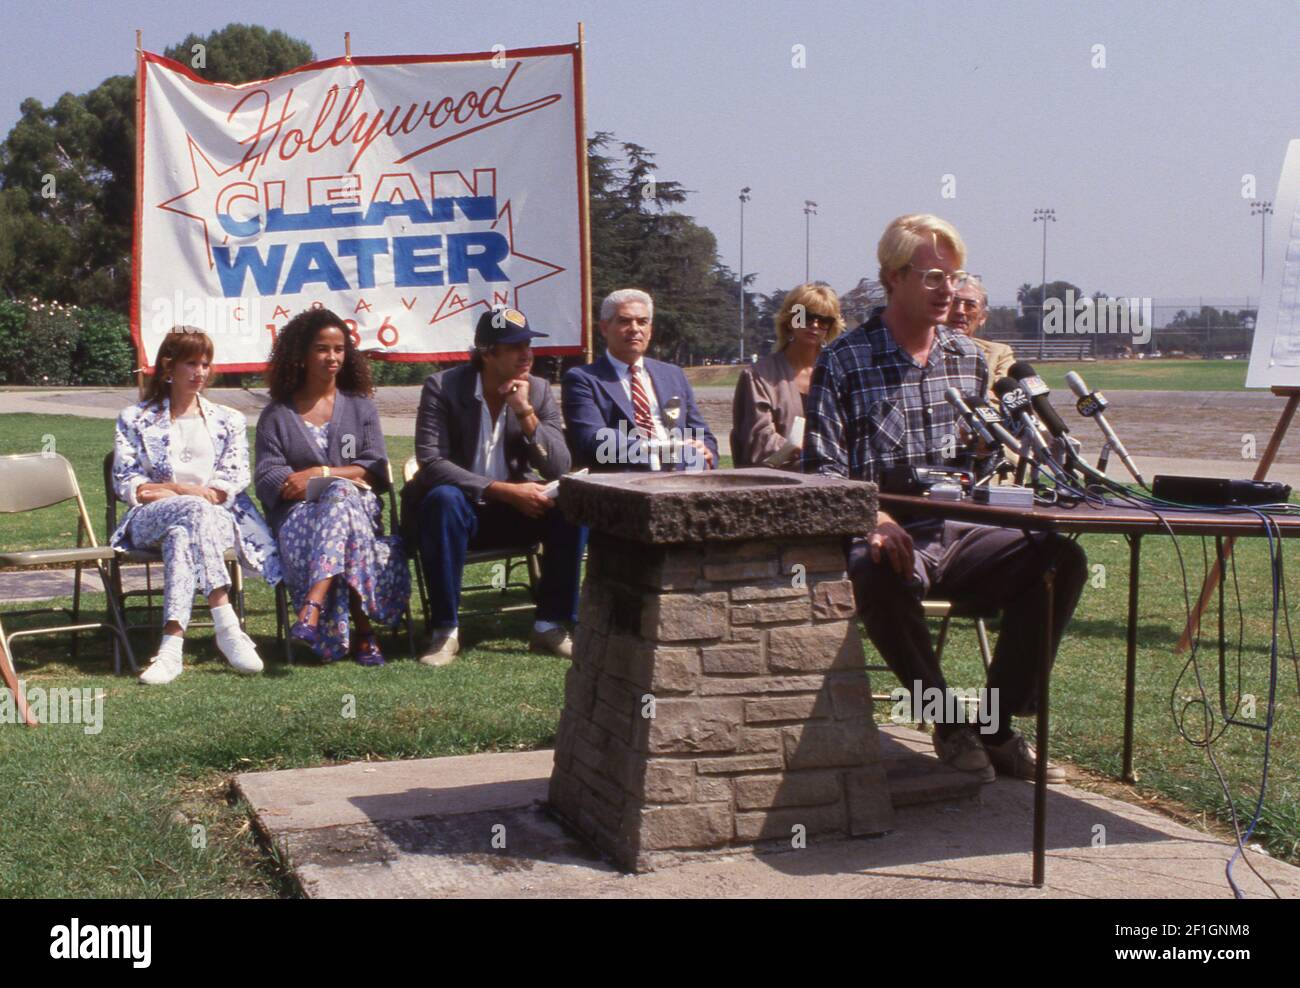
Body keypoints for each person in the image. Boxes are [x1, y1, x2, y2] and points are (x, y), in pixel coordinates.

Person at [803, 213, 1087, 784]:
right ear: (891, 278)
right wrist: (877, 519)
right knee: (877, 572)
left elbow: (982, 457)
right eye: (932, 277)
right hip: (883, 529)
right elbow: (823, 469)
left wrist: (991, 463)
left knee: (1060, 561)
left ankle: (996, 725)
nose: (947, 292)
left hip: (961, 524)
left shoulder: (968, 357)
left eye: (954, 278)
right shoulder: (844, 360)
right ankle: (944, 720)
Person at [403, 307, 586, 667]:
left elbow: (559, 465)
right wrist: (500, 490)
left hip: (516, 511)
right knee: (443, 498)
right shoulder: (442, 387)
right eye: (515, 346)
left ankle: (550, 624)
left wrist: (525, 413)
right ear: (487, 352)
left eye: (528, 344)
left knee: (571, 502)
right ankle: (445, 631)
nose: (527, 354)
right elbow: (432, 463)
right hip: (458, 513)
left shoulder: (538, 389)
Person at [111, 328, 280, 685]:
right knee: (189, 511)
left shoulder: (229, 420)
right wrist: (177, 490)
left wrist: (183, 494)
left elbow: (232, 478)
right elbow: (126, 479)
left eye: (205, 363)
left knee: (181, 533)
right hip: (148, 519)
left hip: (214, 516)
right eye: (191, 363)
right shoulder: (134, 418)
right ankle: (227, 625)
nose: (200, 371)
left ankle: (171, 648)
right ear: (169, 367)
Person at [254, 308, 409, 666]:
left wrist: (319, 473)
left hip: (358, 509)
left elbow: (376, 468)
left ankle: (314, 602)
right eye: (322, 349)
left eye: (339, 349)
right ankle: (364, 631)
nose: (332, 357)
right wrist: (333, 478)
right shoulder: (276, 415)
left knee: (340, 495)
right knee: (341, 497)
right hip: (300, 520)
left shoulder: (360, 407)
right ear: (302, 355)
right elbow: (267, 477)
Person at [563, 289, 718, 472]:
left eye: (642, 322)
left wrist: (706, 452)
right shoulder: (584, 379)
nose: (635, 329)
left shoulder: (673, 375)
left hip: (683, 478)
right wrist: (661, 449)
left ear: (650, 331)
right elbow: (593, 439)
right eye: (624, 321)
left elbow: (702, 433)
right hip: (626, 483)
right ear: (604, 328)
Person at [731, 283, 845, 467]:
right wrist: (810, 451)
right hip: (776, 483)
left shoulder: (841, 374)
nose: (814, 325)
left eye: (824, 321)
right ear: (790, 320)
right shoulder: (758, 376)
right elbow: (759, 441)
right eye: (805, 317)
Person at [946, 277, 1014, 399]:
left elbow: (1006, 398)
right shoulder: (922, 352)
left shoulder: (998, 353)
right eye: (953, 302)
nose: (960, 311)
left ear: (982, 317)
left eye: (970, 305)